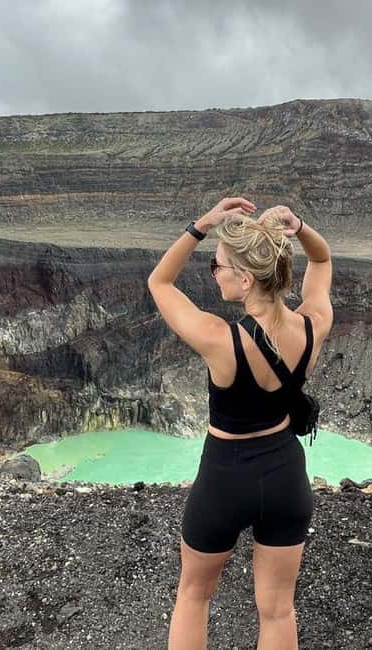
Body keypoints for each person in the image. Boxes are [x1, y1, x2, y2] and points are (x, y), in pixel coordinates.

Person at [147, 197, 334, 649]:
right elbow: (323, 259)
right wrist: (300, 227)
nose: (214, 272)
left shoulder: (219, 340)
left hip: (225, 477)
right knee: (278, 609)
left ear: (245, 279)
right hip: (286, 475)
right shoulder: (314, 325)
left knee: (193, 596)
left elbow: (159, 281)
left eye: (218, 266)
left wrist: (201, 225)